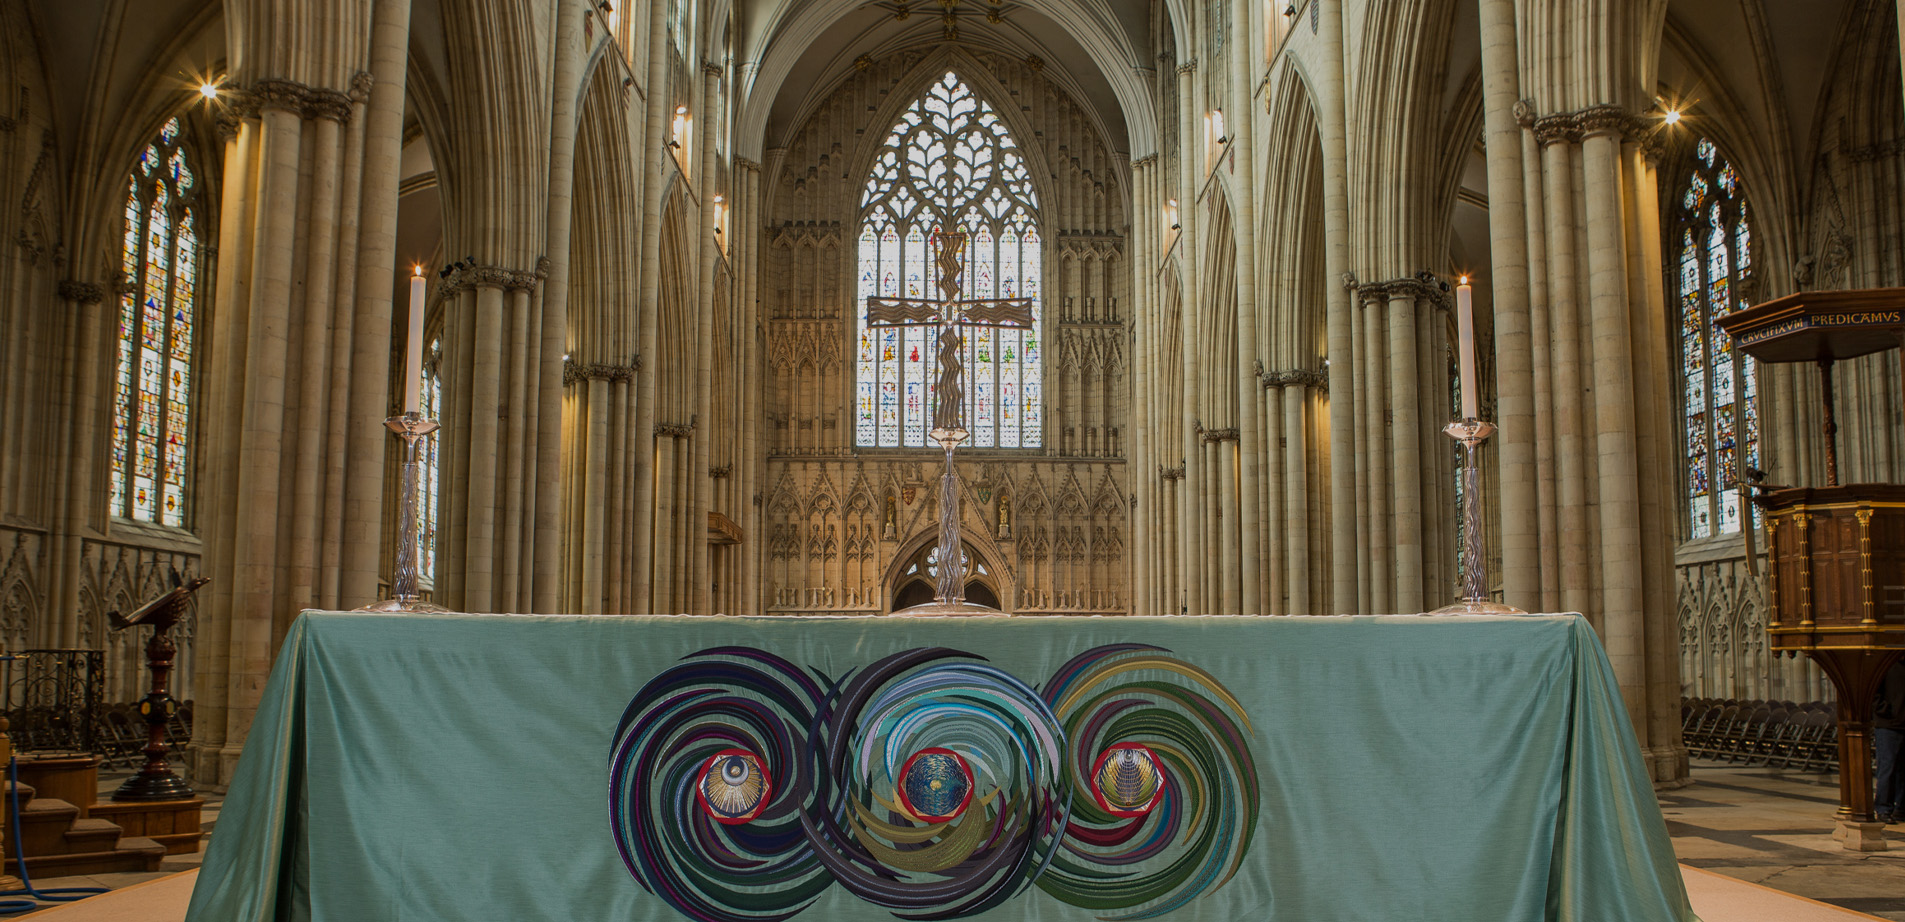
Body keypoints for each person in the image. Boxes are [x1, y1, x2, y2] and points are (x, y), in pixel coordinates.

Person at [1876, 658, 1905, 825]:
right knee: (1888, 767)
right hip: (1889, 724)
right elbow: (1874, 692)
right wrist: (1885, 711)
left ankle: (1901, 808)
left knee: (1904, 769)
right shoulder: (1885, 663)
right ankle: (1883, 808)